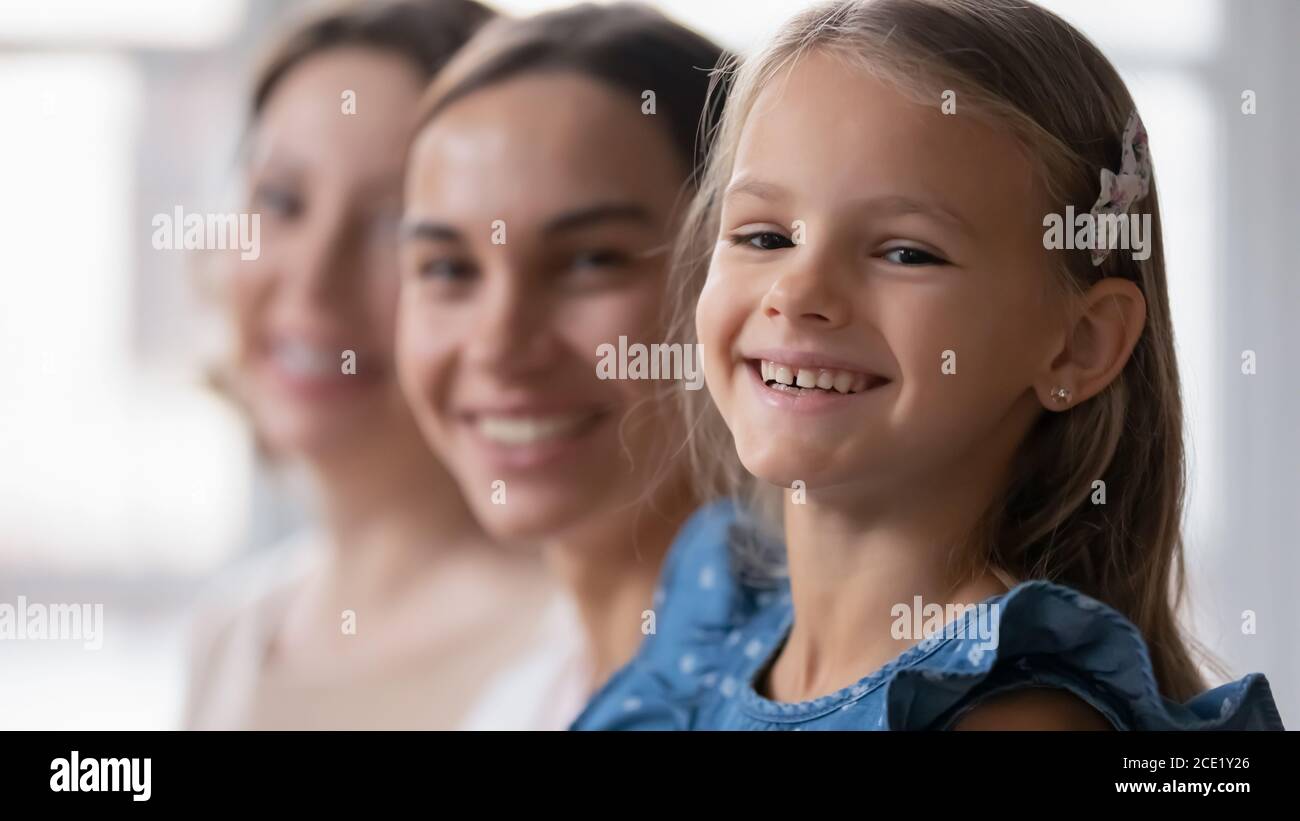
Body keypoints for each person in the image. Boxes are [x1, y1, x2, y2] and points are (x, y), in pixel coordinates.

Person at [574, 0, 1285, 730]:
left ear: (1081, 345)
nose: (798, 293)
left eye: (906, 252)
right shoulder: (713, 605)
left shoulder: (1012, 718)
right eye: (764, 236)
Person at [185, 0, 555, 730]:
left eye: (396, 225)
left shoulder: (576, 655)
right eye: (283, 200)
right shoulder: (230, 633)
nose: (314, 280)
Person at [396, 3, 727, 729]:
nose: (498, 344)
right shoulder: (518, 704)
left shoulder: (854, 694)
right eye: (448, 267)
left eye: (589, 260)